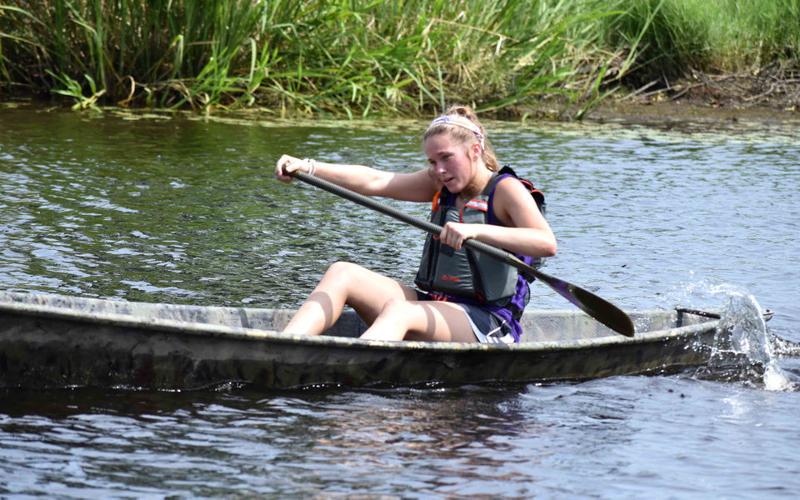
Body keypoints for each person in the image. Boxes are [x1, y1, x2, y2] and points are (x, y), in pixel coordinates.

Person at [274, 105, 556, 343]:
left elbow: (546, 243)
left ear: (475, 149)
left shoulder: (505, 189)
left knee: (400, 311)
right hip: (436, 305)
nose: (439, 170)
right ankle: (285, 349)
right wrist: (308, 167)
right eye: (432, 161)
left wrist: (475, 230)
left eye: (446, 158)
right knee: (342, 273)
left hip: (488, 322)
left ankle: (349, 366)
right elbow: (374, 181)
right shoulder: (441, 183)